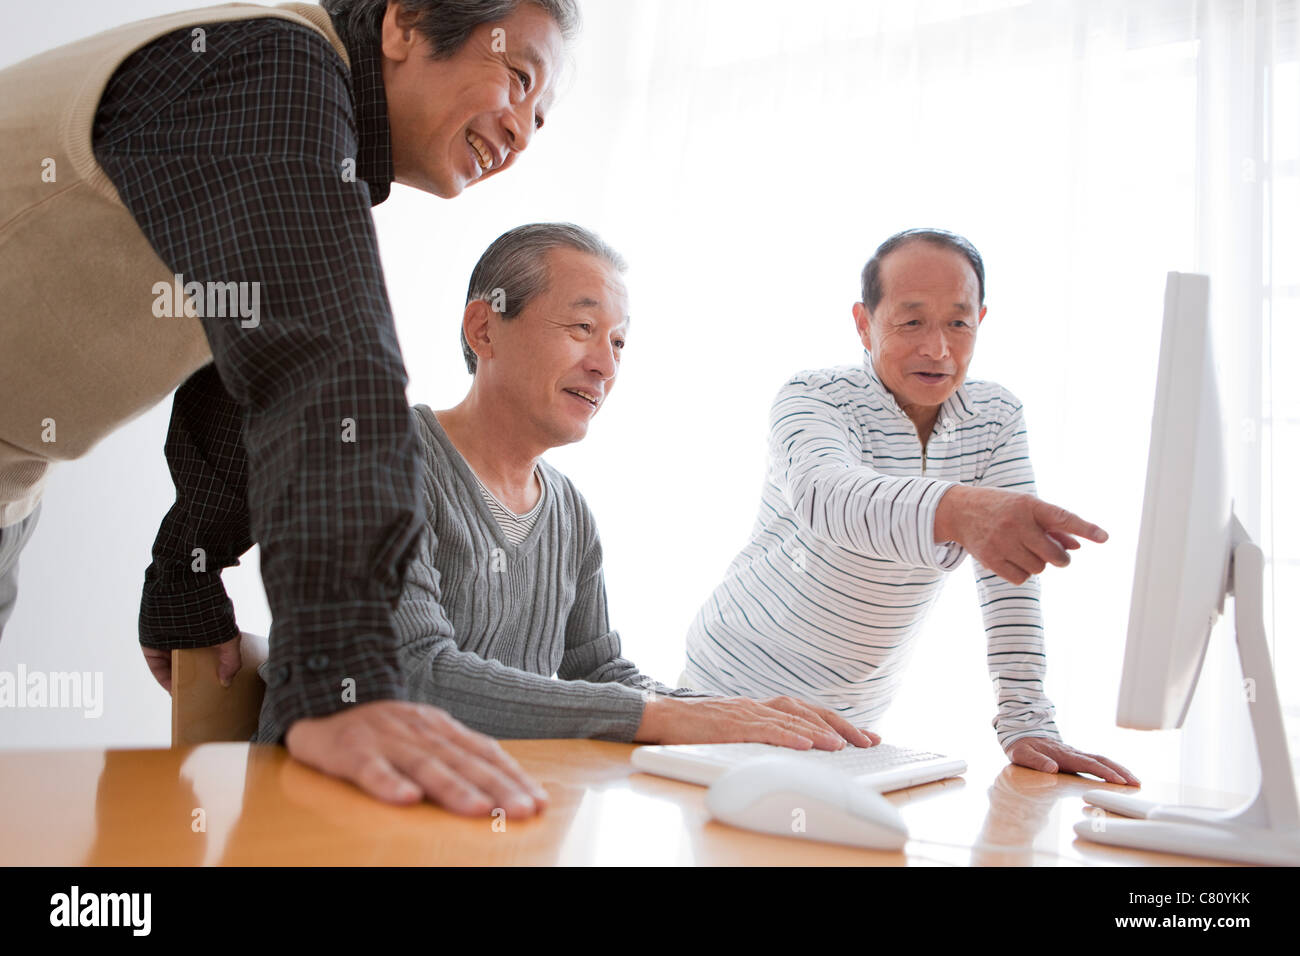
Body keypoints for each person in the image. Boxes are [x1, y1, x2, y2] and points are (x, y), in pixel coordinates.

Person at [0, 0, 578, 817]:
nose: (521, 129)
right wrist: (341, 675)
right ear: (405, 24)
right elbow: (321, 360)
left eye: (540, 118)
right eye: (519, 78)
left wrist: (186, 576)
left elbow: (240, 363)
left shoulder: (300, 129)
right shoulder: (274, 66)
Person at [257, 222, 882, 752]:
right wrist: (665, 717)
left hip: (482, 817)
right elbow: (416, 675)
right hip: (335, 820)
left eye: (618, 343)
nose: (606, 366)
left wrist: (743, 717)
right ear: (484, 329)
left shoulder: (570, 513)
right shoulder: (382, 461)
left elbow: (599, 671)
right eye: (582, 329)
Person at [682, 228, 1140, 786]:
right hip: (732, 687)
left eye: (958, 322)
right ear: (863, 322)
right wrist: (958, 510)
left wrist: (1027, 722)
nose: (938, 349)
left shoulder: (994, 417)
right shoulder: (814, 397)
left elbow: (1010, 572)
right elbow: (826, 496)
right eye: (911, 320)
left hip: (854, 714)